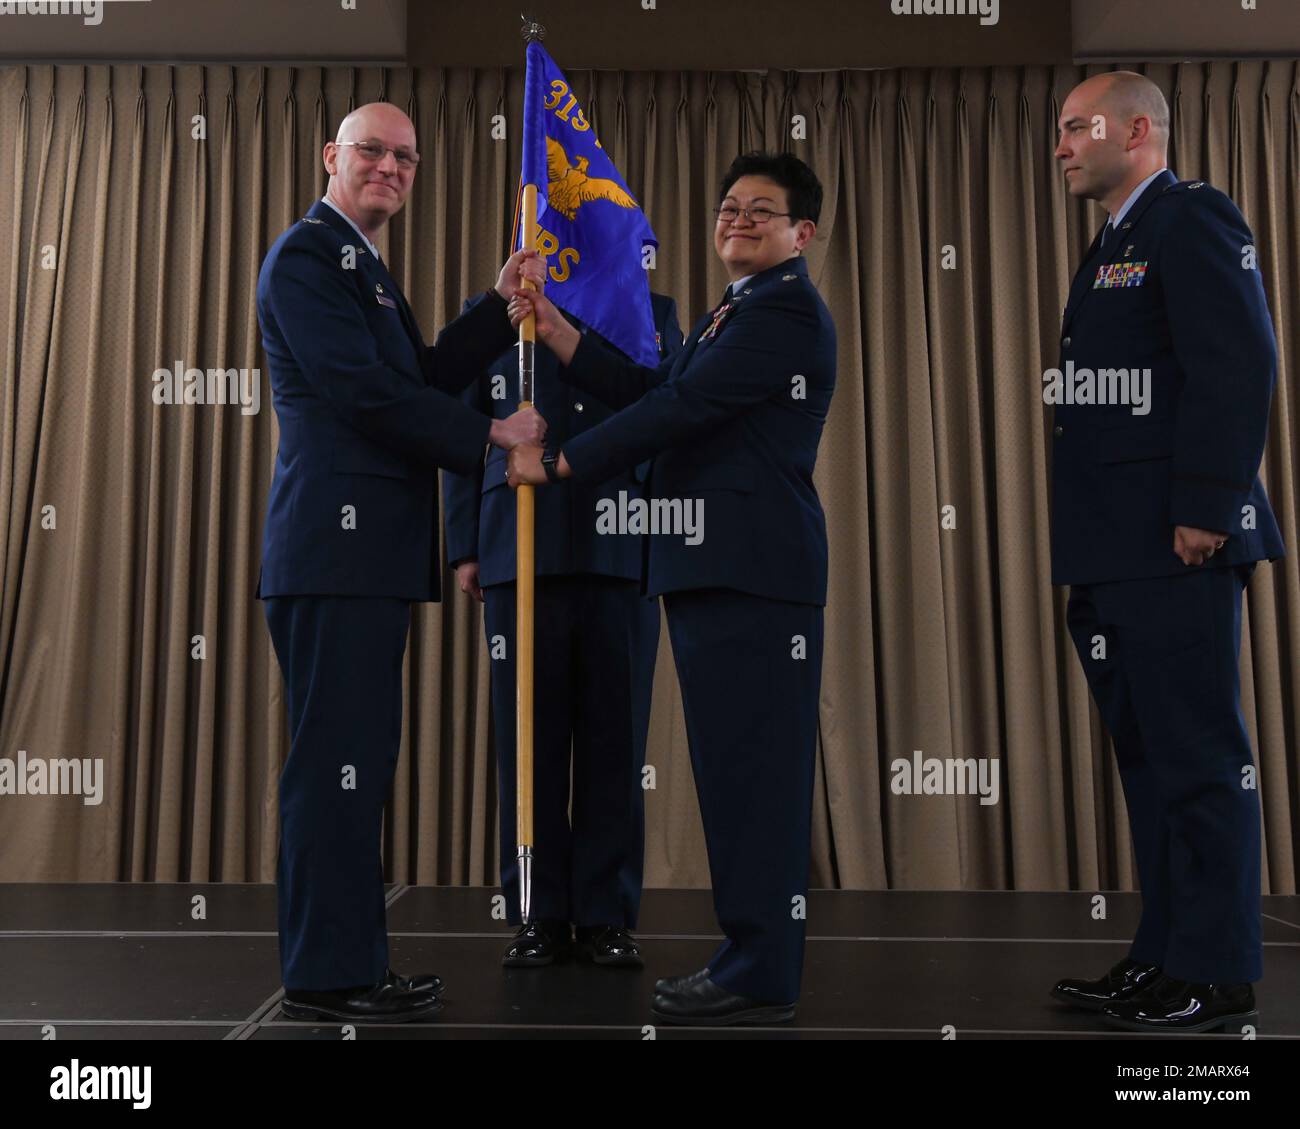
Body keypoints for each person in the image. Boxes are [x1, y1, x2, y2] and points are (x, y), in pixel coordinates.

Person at [505, 152, 836, 1025]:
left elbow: (676, 413)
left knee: (756, 780)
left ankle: (761, 969)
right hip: (711, 571)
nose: (737, 220)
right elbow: (658, 388)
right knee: (733, 775)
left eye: (761, 212)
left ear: (802, 233)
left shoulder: (787, 312)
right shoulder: (735, 310)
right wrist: (562, 333)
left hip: (754, 575)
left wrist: (561, 459)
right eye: (729, 206)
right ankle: (749, 957)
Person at [256, 101, 547, 1023]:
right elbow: (359, 390)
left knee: (355, 763)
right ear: (331, 157)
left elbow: (413, 376)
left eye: (407, 157)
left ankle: (347, 963)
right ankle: (327, 975)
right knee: (334, 766)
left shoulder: (362, 265)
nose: (390, 167)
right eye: (373, 151)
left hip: (366, 559)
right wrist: (492, 432)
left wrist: (501, 308)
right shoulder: (310, 255)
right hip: (333, 554)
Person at [1047, 72, 1284, 1033]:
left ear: (1137, 129)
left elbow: (1239, 360)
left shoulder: (1192, 217)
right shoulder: (1116, 240)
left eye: (1076, 126)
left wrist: (1207, 506)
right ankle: (1164, 954)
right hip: (1114, 548)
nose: (1060, 144)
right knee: (1148, 764)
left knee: (1198, 759)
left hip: (1175, 539)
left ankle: (1219, 969)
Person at [443, 292, 682, 968]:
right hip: (519, 542)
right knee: (528, 741)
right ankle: (538, 912)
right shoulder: (494, 310)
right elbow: (464, 423)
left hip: (620, 541)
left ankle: (606, 914)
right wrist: (465, 543)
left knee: (616, 739)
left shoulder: (649, 311)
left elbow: (670, 413)